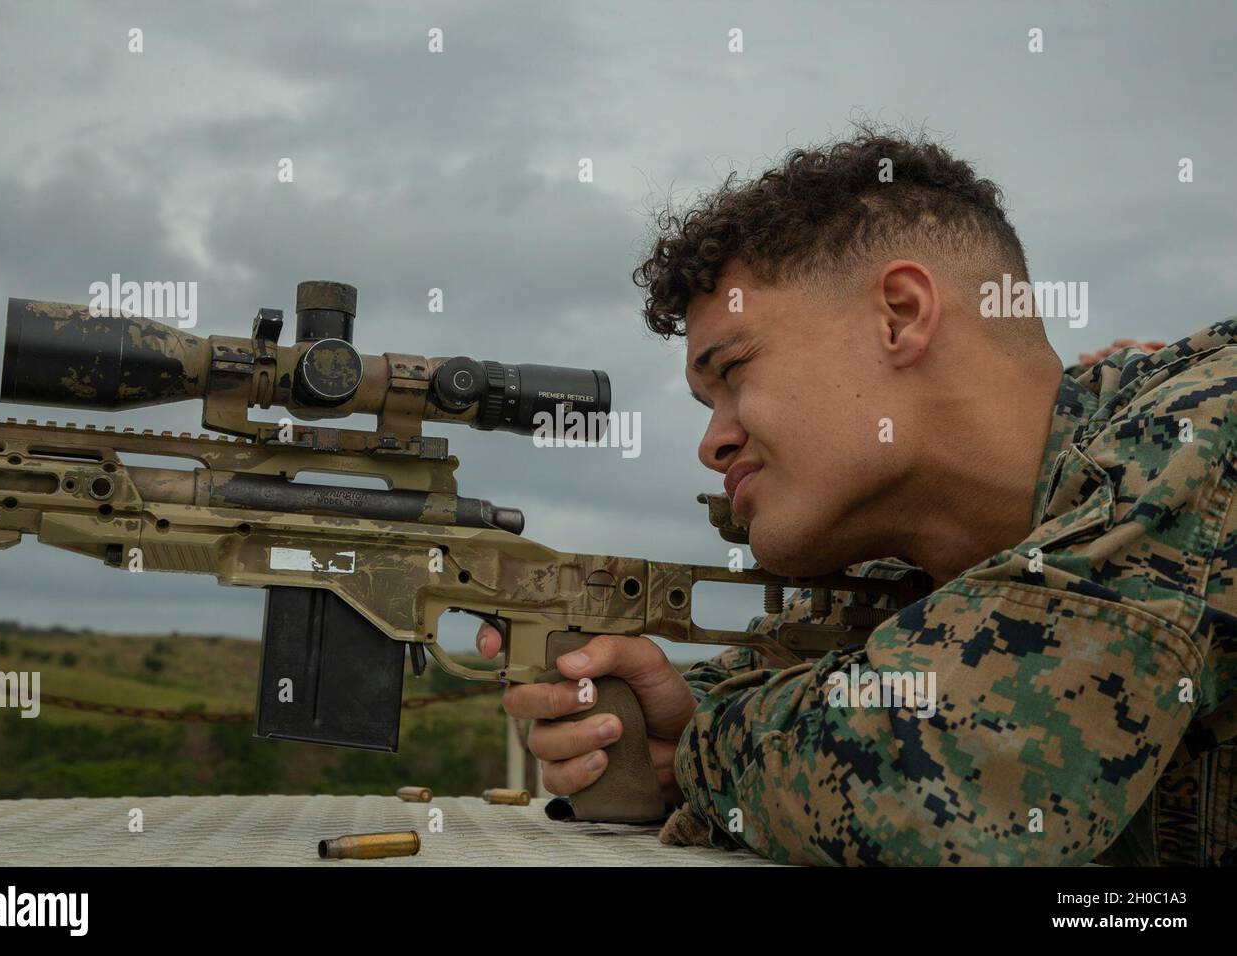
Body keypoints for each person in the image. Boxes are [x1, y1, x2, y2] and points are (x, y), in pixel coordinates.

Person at [477, 129, 1236, 865]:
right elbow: (816, 710)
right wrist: (658, 724)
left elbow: (945, 785)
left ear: (900, 315)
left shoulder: (1201, 430)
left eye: (735, 372)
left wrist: (702, 748)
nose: (711, 444)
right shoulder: (899, 571)